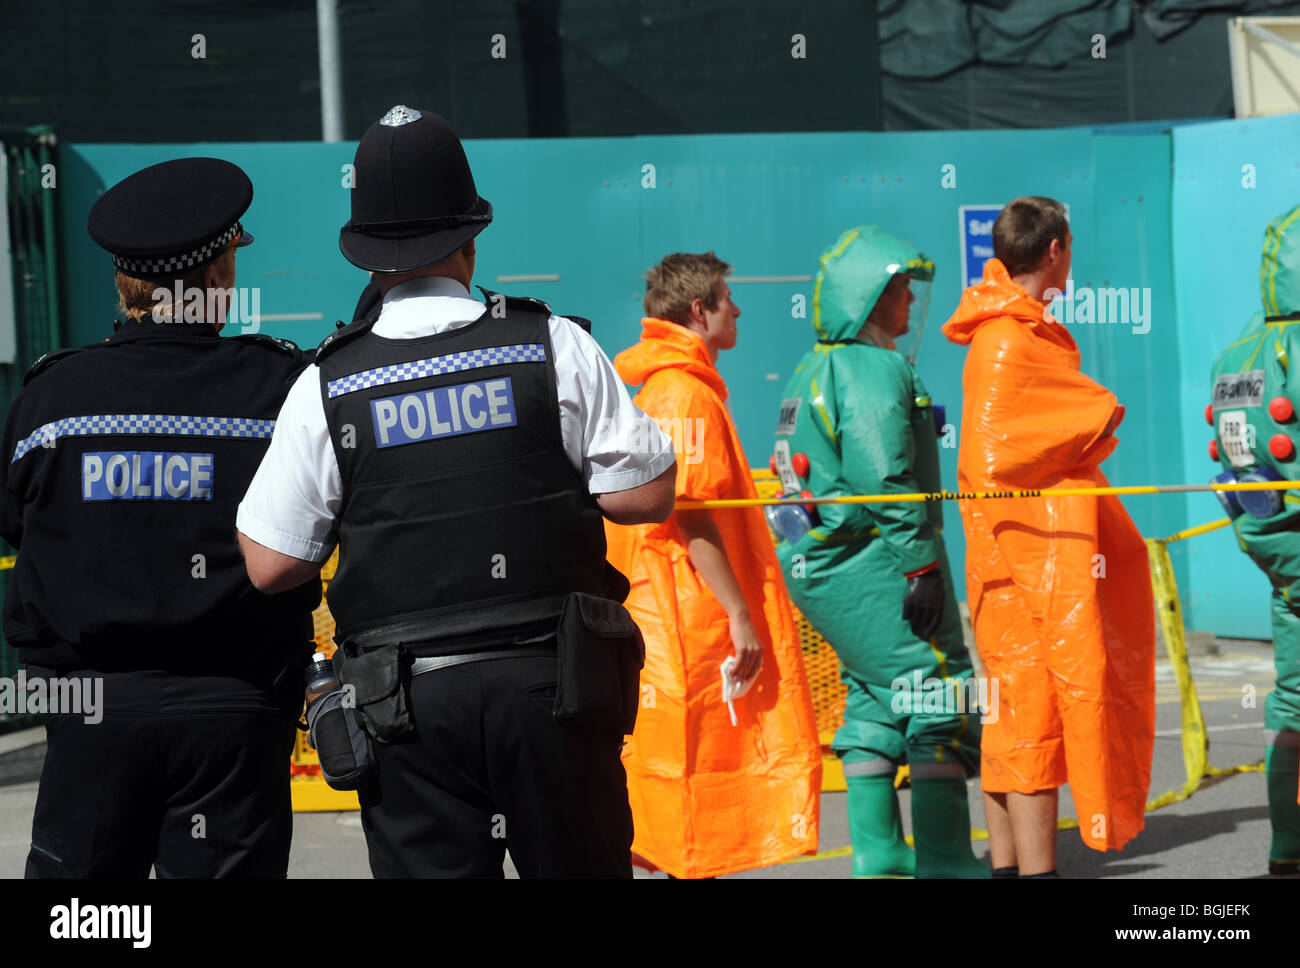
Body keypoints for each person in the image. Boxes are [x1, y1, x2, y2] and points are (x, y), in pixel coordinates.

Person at [236, 106, 677, 878]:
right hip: (554, 689)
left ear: (367, 258)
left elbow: (272, 565)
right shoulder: (554, 345)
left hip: (406, 711)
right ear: (471, 241)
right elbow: (644, 495)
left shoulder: (327, 384)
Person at [0, 157, 321, 877]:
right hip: (235, 716)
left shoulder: (53, 400)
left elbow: (17, 523)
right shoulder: (280, 390)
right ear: (212, 280)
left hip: (90, 711)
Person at [941, 196, 1155, 877]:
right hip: (1024, 559)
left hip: (1012, 557)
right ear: (1056, 250)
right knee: (1030, 723)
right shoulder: (1010, 339)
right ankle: (1037, 874)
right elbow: (1013, 450)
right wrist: (1091, 411)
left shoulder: (1006, 333)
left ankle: (1008, 868)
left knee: (1013, 722)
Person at [771, 226, 986, 878]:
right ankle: (946, 860)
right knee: (936, 691)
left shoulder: (812, 369)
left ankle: (881, 855)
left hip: (818, 569)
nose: (911, 302)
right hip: (875, 562)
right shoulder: (873, 369)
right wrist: (920, 565)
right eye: (899, 289)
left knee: (872, 696)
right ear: (867, 297)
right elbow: (885, 475)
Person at [604, 251, 822, 879]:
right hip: (687, 619)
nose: (740, 310)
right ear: (700, 311)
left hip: (671, 612)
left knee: (679, 788)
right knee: (692, 782)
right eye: (729, 299)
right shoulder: (685, 395)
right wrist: (740, 615)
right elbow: (692, 515)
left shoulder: (664, 390)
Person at [1207, 201, 1300, 875]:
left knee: (1294, 697)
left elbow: (1232, 470)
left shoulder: (1239, 354)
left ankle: (1286, 847)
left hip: (1277, 557)